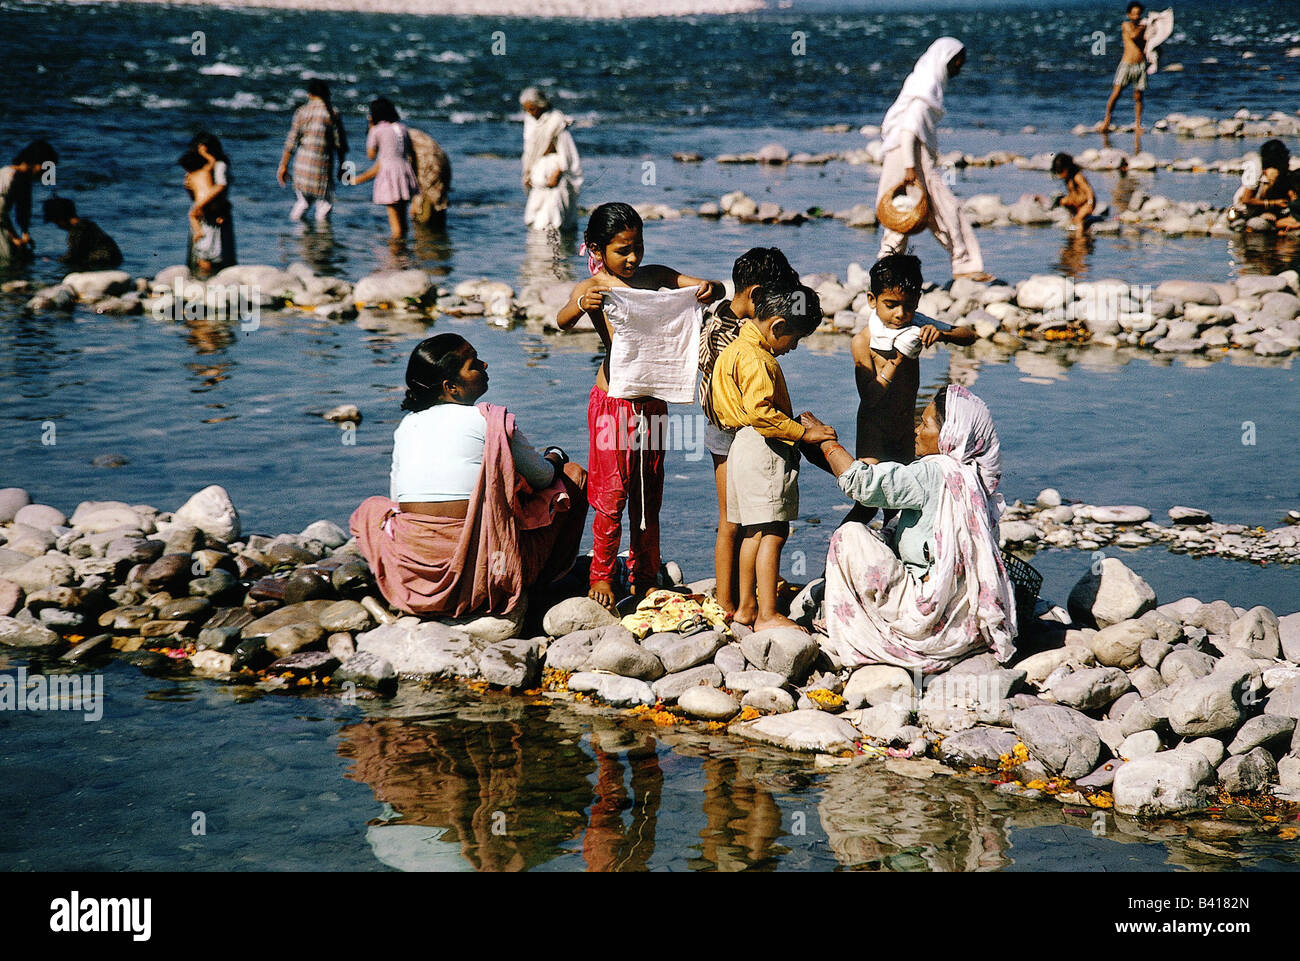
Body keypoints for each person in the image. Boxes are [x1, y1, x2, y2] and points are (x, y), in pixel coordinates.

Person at [556, 202, 723, 610]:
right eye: (622, 250)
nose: (633, 258)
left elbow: (713, 289)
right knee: (611, 494)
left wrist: (709, 289)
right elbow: (561, 321)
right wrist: (581, 307)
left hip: (653, 403)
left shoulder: (657, 278)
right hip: (614, 402)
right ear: (597, 248)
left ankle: (645, 575)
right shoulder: (595, 288)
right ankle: (602, 575)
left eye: (638, 246)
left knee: (650, 493)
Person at [350, 334, 589, 617]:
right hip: (486, 576)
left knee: (373, 509)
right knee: (573, 475)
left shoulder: (406, 425)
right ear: (451, 386)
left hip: (416, 577)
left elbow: (397, 503)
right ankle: (540, 583)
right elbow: (543, 477)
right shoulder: (488, 420)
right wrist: (555, 456)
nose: (484, 364)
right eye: (474, 363)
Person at [806, 384, 1017, 673]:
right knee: (881, 535)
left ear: (949, 435)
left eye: (926, 424)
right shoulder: (974, 479)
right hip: (962, 626)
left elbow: (863, 484)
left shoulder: (935, 471)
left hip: (924, 621)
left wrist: (826, 443)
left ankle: (871, 628)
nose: (917, 430)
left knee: (850, 535)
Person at [710, 283, 835, 631]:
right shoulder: (757, 359)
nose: (793, 347)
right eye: (794, 339)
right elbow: (762, 413)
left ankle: (747, 608)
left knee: (754, 532)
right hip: (762, 448)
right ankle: (767, 613)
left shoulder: (734, 349)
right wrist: (802, 432)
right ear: (777, 327)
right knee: (776, 531)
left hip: (738, 446)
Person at [698, 246, 800, 618]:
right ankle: (731, 601)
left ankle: (738, 598)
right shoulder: (740, 339)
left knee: (736, 518)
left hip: (716, 422)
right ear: (757, 296)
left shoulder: (715, 315)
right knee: (736, 520)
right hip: (737, 429)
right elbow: (755, 401)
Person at [848, 253, 975, 525]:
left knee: (899, 502)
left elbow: (969, 335)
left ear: (917, 301)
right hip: (874, 433)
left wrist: (942, 334)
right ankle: (833, 562)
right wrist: (898, 360)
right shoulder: (863, 341)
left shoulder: (916, 323)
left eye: (907, 306)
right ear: (872, 300)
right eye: (891, 305)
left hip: (905, 429)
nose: (900, 314)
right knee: (867, 501)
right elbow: (870, 398)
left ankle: (892, 558)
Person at [876, 37, 991, 282]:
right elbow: (908, 130)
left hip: (910, 159)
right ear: (946, 59)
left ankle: (889, 273)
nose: (961, 66)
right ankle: (963, 265)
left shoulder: (924, 82)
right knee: (934, 212)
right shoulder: (927, 85)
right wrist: (910, 169)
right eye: (958, 60)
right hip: (910, 161)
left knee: (912, 216)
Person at [278, 78, 348, 224]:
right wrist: (343, 167)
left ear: (309, 94)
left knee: (303, 202)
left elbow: (291, 143)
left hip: (302, 166)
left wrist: (283, 166)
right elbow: (340, 145)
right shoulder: (332, 114)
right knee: (324, 206)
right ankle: (322, 239)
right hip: (321, 167)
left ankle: (297, 233)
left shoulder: (301, 112)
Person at [352, 97, 420, 239]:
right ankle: (404, 251)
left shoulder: (377, 130)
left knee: (394, 222)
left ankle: (395, 257)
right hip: (405, 172)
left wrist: (371, 128)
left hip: (390, 175)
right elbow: (412, 154)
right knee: (403, 218)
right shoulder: (402, 128)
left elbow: (371, 155)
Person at [520, 86, 583, 232]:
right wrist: (528, 172)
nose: (530, 113)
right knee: (535, 220)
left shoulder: (556, 121)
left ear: (540, 105)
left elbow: (566, 151)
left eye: (532, 109)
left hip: (554, 176)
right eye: (527, 109)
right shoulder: (530, 122)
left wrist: (557, 173)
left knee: (552, 221)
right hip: (538, 175)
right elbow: (529, 151)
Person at [185, 133, 236, 274]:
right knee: (203, 251)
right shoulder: (200, 168)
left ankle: (209, 280)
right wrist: (190, 189)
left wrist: (199, 206)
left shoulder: (219, 165)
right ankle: (203, 279)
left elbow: (221, 186)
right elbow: (195, 194)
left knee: (211, 253)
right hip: (204, 211)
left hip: (213, 212)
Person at [0, 139, 57, 266]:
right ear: (35, 163)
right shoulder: (9, 177)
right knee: (7, 259)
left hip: (2, 221)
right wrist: (14, 237)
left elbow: (23, 208)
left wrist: (25, 233)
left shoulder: (24, 180)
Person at [1099, 2, 1148, 134]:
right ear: (1129, 14)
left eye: (1138, 13)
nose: (1136, 16)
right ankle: (1107, 120)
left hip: (1140, 64)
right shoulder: (1126, 25)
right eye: (1134, 13)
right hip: (1126, 64)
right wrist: (1144, 27)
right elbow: (1133, 35)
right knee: (1116, 93)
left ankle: (1138, 124)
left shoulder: (1145, 27)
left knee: (1138, 96)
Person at [1231, 140, 1299, 230]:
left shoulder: (1281, 166)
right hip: (1247, 209)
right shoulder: (1257, 168)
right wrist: (1274, 203)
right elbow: (1246, 199)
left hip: (1266, 204)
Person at [178, 148, 226, 277]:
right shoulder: (206, 170)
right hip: (213, 204)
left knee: (192, 215)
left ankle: (198, 231)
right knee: (212, 237)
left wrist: (187, 187)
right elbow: (212, 160)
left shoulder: (190, 176)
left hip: (201, 204)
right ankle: (219, 217)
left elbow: (192, 194)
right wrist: (205, 152)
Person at [42, 196, 122, 269]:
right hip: (112, 263)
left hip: (100, 264)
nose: (57, 225)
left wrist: (52, 261)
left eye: (55, 221)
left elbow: (72, 257)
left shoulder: (77, 231)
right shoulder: (88, 225)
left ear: (60, 218)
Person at [1048, 153, 1096, 231]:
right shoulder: (1068, 178)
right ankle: (1074, 216)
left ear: (1067, 168)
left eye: (1061, 172)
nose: (1060, 175)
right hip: (1077, 203)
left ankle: (1079, 240)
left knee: (1078, 220)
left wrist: (1090, 204)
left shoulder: (1077, 177)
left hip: (1086, 203)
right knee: (1062, 200)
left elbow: (1089, 191)